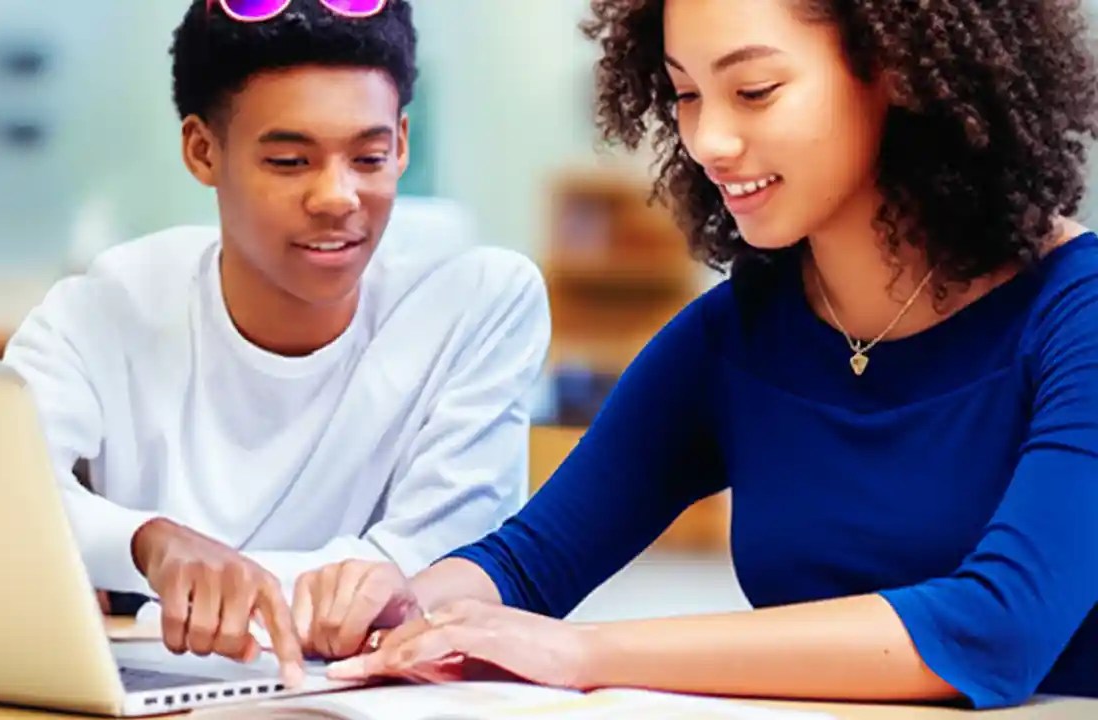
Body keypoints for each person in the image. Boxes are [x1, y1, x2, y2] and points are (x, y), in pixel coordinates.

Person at [294, 0, 1098, 709]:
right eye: (685, 93)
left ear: (898, 69)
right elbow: (532, 560)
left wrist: (584, 654)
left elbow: (999, 626)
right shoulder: (736, 336)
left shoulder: (1077, 316)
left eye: (754, 90)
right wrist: (406, 611)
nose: (709, 138)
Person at [2, 0, 550, 686]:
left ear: (403, 144)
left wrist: (131, 580)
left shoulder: (477, 304)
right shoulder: (105, 307)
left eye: (370, 157)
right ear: (203, 150)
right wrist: (147, 543)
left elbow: (433, 570)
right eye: (290, 161)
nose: (337, 196)